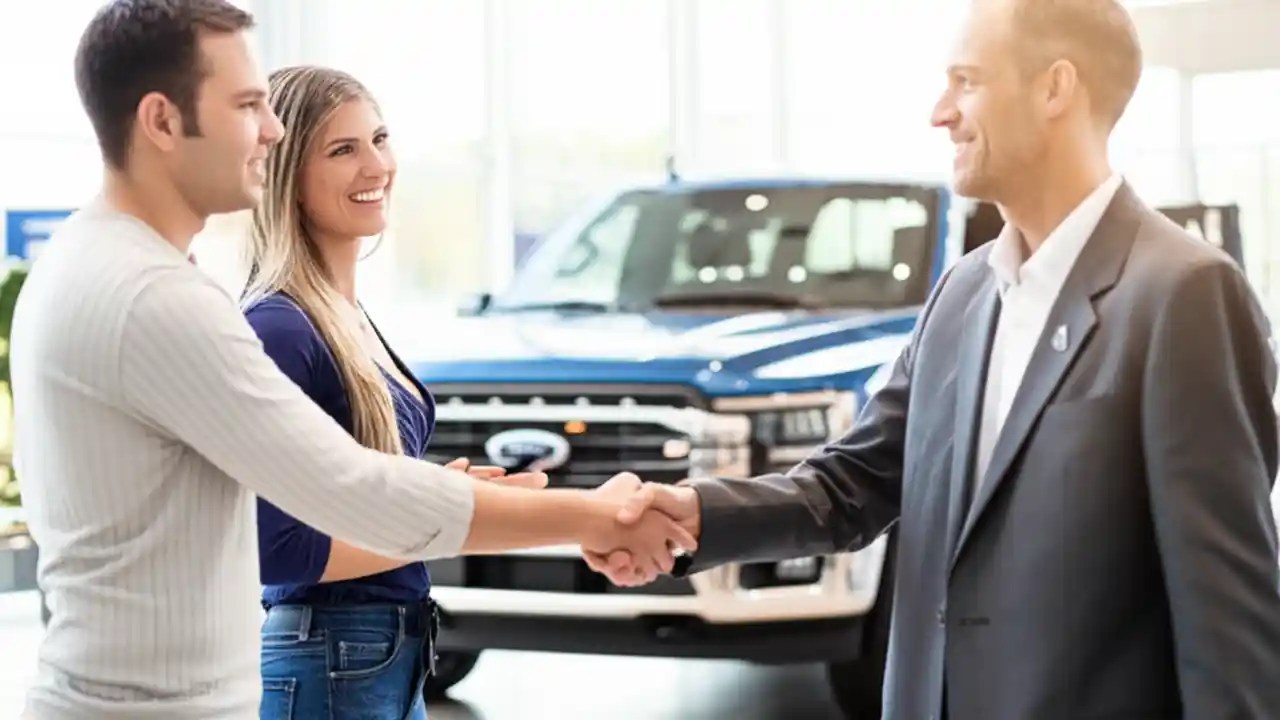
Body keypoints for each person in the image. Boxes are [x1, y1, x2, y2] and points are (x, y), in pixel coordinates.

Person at [590, 0, 1280, 718]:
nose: (939, 113)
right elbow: (852, 484)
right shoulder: (962, 292)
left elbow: (1227, 620)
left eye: (966, 81)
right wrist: (695, 513)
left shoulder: (1184, 294)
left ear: (1055, 88)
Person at [11, 3, 692, 719]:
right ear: (162, 120)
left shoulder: (84, 264)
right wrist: (593, 515)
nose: (271, 130)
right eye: (246, 105)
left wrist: (471, 500)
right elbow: (352, 493)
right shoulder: (157, 297)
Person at [240, 64, 518, 720]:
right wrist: (439, 521)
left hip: (380, 652)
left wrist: (438, 493)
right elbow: (274, 547)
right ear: (287, 177)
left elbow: (348, 491)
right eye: (343, 149)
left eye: (380, 139)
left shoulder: (344, 316)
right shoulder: (279, 327)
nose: (377, 166)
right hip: (330, 653)